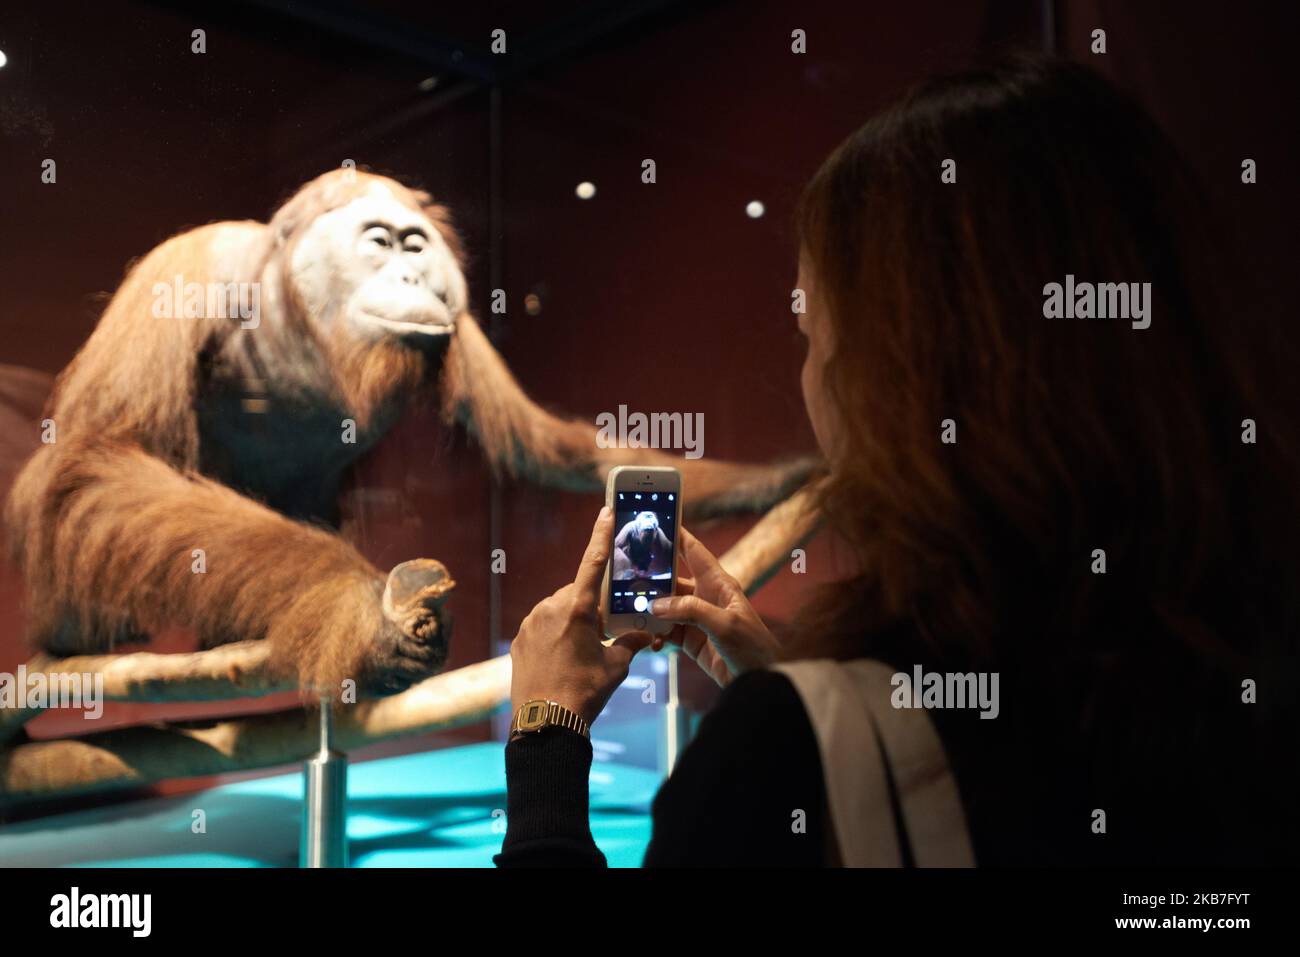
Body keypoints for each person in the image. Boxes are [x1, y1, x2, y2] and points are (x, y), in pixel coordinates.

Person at [494, 56, 1299, 867]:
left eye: (813, 337)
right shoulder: (1241, 672)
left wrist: (546, 742)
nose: (807, 376)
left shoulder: (771, 763)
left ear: (897, 374)